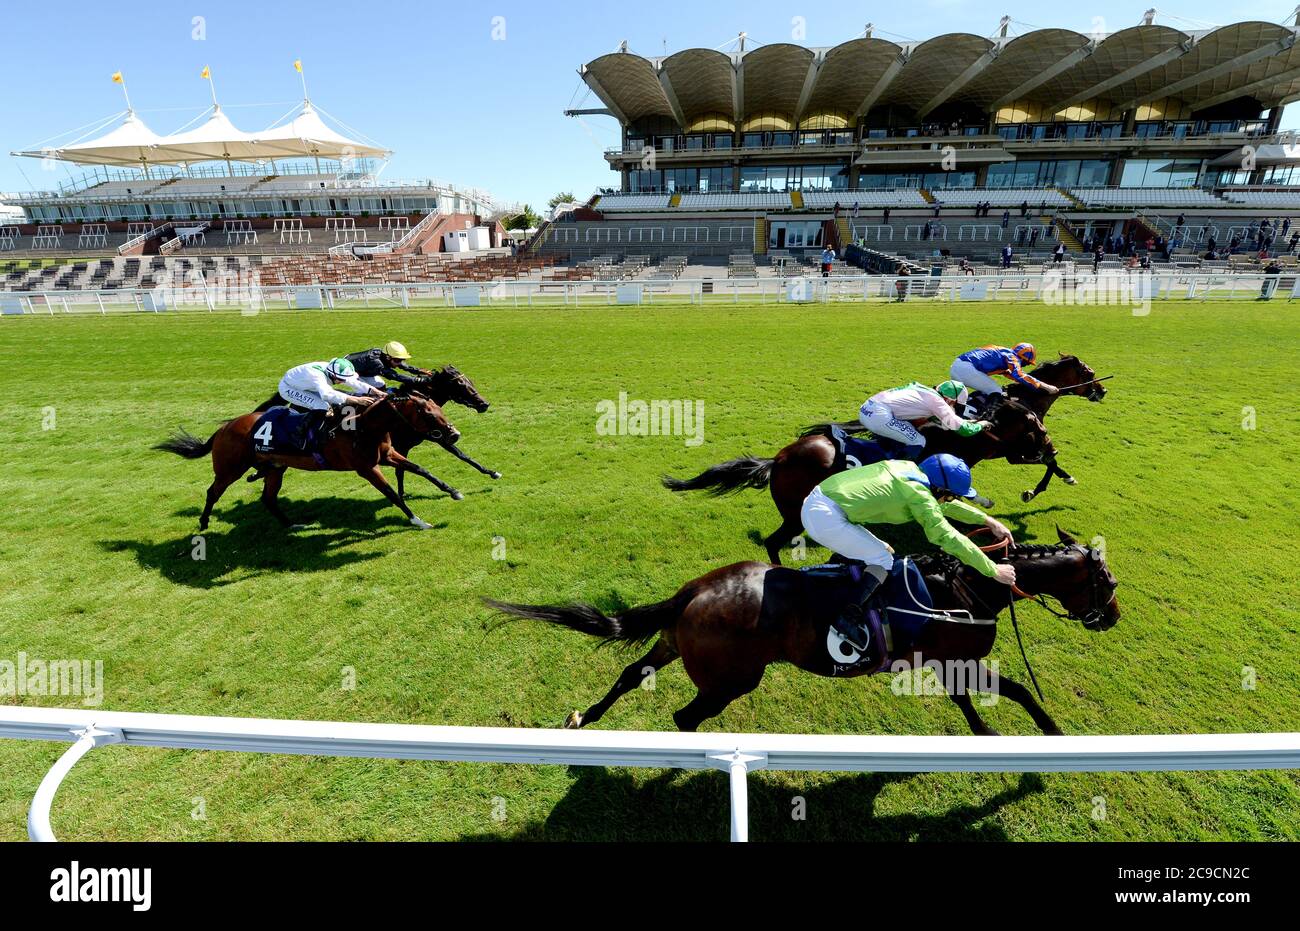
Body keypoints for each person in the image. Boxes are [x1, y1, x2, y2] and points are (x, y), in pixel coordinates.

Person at [800, 454, 1017, 651]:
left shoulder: (910, 469)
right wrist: (993, 569)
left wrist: (987, 520)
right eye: (950, 496)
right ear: (940, 490)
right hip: (825, 517)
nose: (950, 500)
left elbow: (942, 506)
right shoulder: (920, 495)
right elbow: (945, 536)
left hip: (821, 501)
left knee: (882, 550)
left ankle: (834, 581)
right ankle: (847, 618)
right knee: (883, 559)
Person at [858, 380, 987, 459]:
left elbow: (942, 421)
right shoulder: (938, 402)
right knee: (918, 442)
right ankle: (894, 472)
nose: (953, 408)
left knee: (908, 433)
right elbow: (964, 430)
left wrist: (963, 422)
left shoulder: (922, 389)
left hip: (865, 409)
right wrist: (982, 424)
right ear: (950, 400)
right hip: (878, 416)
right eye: (955, 405)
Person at [277, 358, 384, 448]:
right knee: (322, 406)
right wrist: (356, 400)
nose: (343, 382)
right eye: (341, 380)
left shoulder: (334, 372)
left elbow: (354, 382)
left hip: (306, 385)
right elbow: (326, 394)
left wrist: (375, 391)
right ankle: (297, 435)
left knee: (333, 404)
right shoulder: (317, 376)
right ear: (333, 376)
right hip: (289, 388)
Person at [950, 343, 1058, 399]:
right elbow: (1019, 375)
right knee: (996, 391)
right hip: (966, 369)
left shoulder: (1003, 352)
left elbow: (1009, 373)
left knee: (985, 389)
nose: (1024, 366)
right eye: (1026, 363)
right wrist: (1046, 387)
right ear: (1022, 359)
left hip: (956, 366)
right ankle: (988, 418)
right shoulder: (1013, 357)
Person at [345, 341, 427, 390]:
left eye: (402, 360)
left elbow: (402, 365)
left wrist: (418, 370)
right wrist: (417, 380)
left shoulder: (385, 356)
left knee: (381, 385)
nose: (399, 363)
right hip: (346, 372)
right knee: (368, 391)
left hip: (362, 371)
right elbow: (395, 376)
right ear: (388, 357)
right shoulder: (376, 362)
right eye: (397, 360)